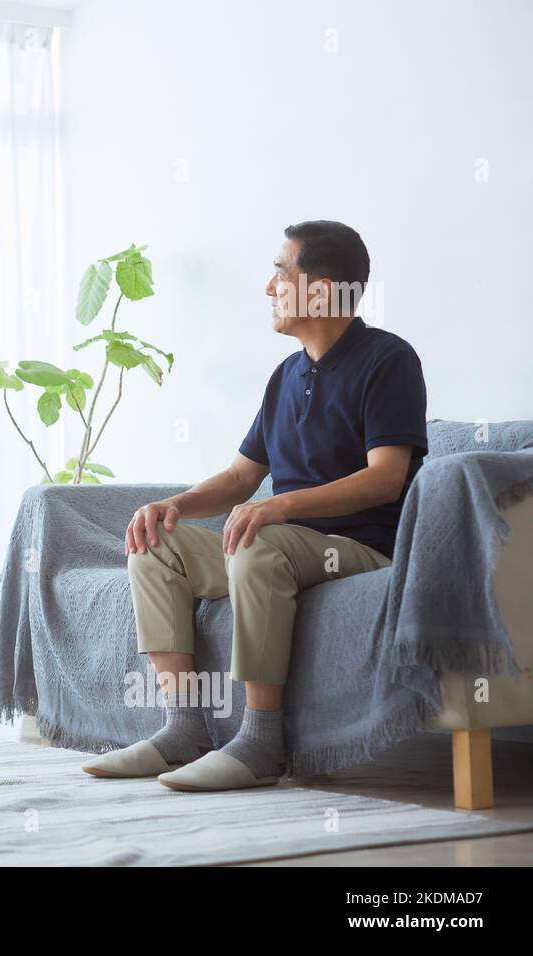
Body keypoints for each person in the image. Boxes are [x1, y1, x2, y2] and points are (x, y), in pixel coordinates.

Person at [82, 220, 427, 791]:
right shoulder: (285, 377)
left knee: (259, 542)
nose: (270, 288)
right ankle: (183, 729)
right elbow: (243, 476)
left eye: (280, 271)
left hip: (359, 551)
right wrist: (172, 505)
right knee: (154, 544)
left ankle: (262, 740)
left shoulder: (388, 360)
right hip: (281, 549)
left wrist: (281, 507)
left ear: (321, 290)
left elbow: (386, 479)